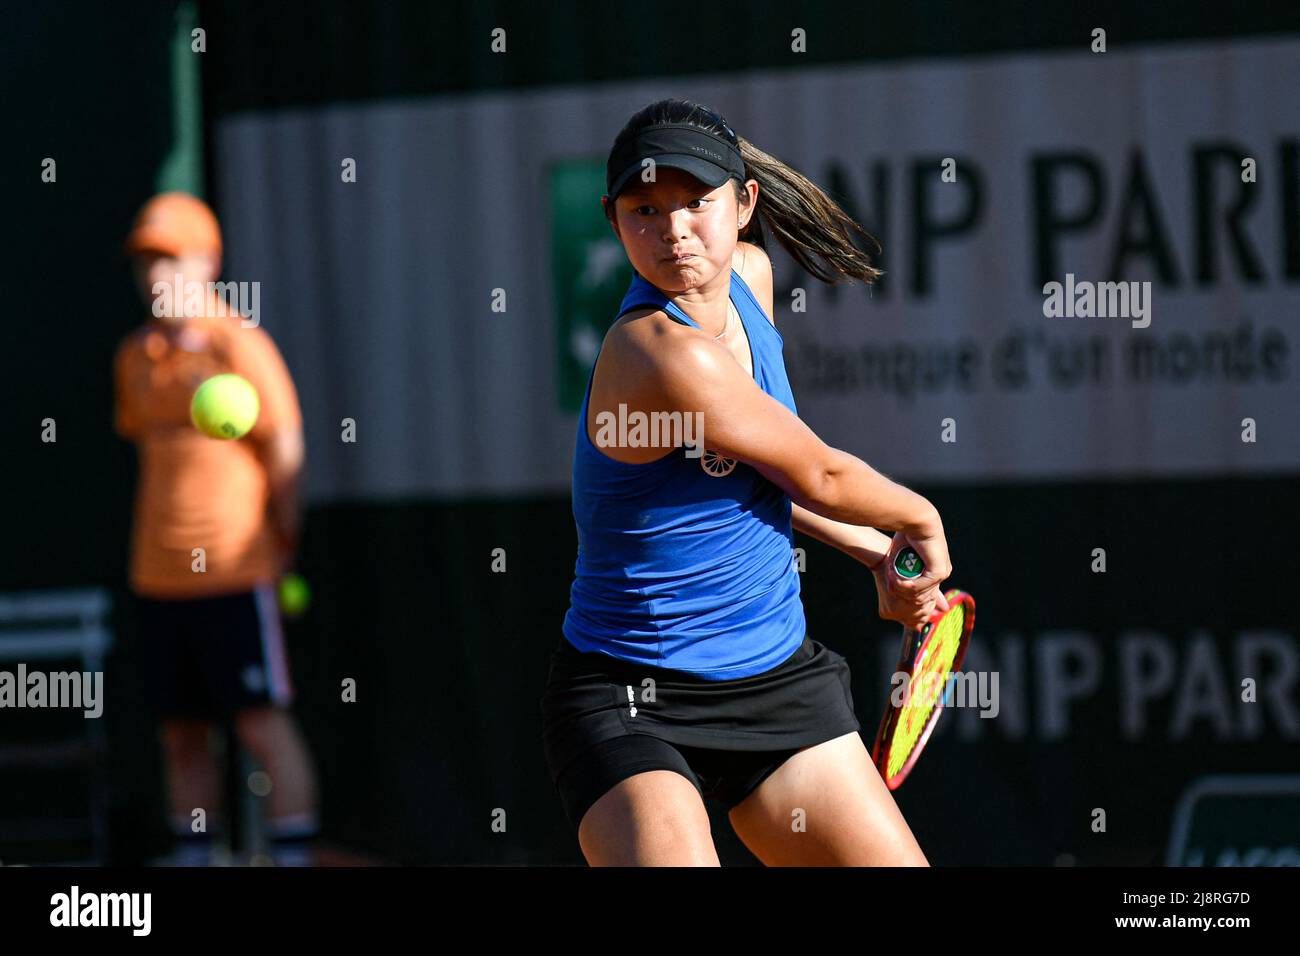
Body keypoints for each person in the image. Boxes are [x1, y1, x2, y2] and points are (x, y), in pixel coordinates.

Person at [540, 100, 954, 866]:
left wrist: (870, 551)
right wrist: (917, 517)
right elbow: (818, 471)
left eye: (697, 202)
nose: (673, 230)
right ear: (614, 220)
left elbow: (764, 475)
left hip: (776, 687)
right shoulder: (656, 351)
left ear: (744, 202)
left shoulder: (751, 281)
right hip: (634, 699)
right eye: (644, 210)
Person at [113, 192, 319, 865]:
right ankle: (194, 856)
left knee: (261, 724)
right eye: (147, 262)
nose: (157, 276)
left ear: (208, 263)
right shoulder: (135, 357)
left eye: (171, 260)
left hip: (237, 573)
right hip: (157, 577)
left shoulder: (241, 344)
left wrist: (281, 545)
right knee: (180, 735)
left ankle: (291, 856)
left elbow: (286, 454)